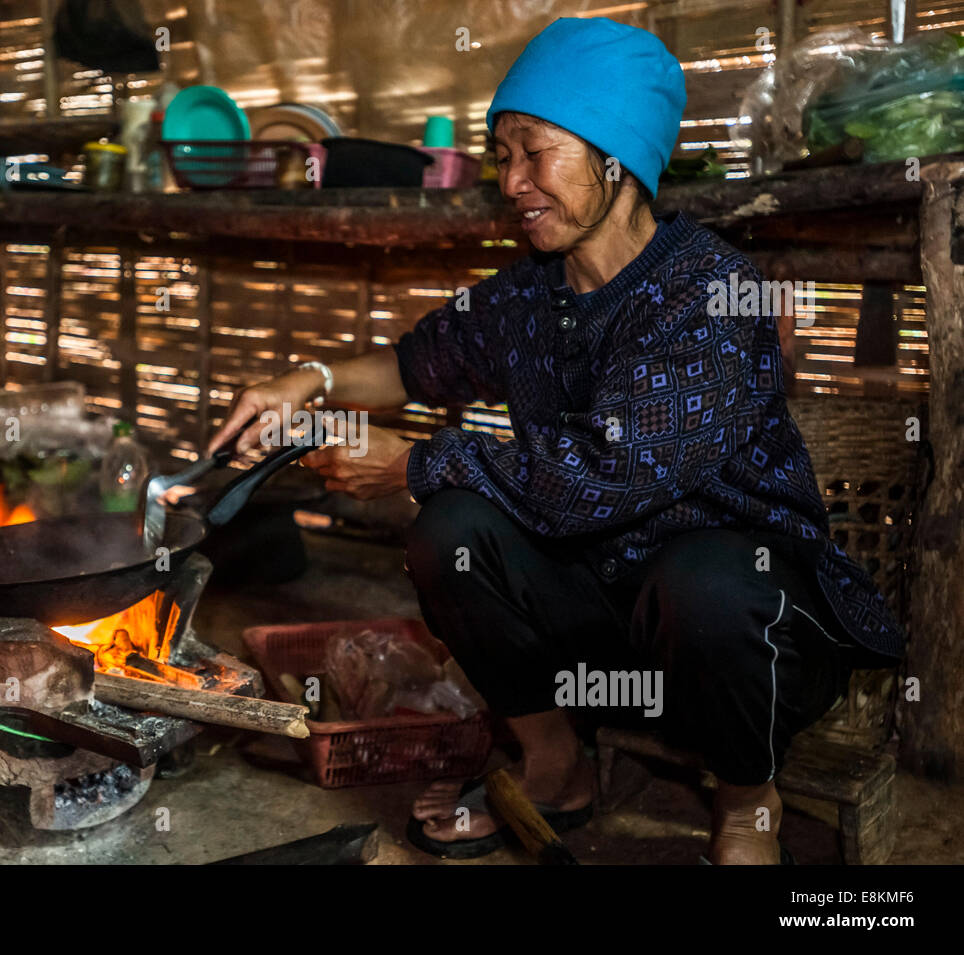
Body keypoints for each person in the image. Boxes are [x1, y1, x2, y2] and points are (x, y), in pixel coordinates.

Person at [208, 17, 902, 864]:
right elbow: (410, 363)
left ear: (616, 158)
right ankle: (557, 764)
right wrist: (305, 380)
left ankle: (748, 799)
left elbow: (608, 473)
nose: (512, 181)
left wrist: (413, 462)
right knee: (451, 532)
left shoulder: (715, 291)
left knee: (707, 579)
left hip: (754, 642)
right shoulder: (530, 294)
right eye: (503, 156)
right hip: (612, 633)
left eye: (536, 152)